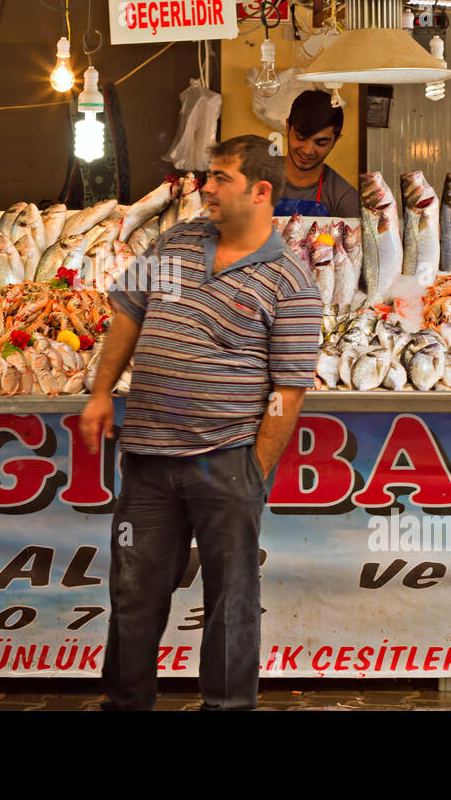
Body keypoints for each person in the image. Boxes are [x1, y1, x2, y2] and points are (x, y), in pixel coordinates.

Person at [80, 135, 323, 710]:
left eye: (220, 179)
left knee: (231, 601)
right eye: (206, 176)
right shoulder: (177, 243)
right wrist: (99, 392)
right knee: (134, 595)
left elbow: (288, 393)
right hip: (146, 460)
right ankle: (126, 703)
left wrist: (253, 473)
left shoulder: (291, 283)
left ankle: (228, 707)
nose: (204, 188)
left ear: (261, 192)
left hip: (225, 462)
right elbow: (128, 318)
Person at [277, 89, 360, 218]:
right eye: (300, 137)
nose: (307, 150)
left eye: (321, 143)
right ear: (288, 128)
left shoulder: (344, 199)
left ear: (335, 141)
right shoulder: (255, 178)